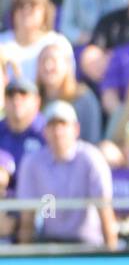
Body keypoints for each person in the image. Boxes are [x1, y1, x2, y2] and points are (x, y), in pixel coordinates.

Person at [15, 101, 117, 249]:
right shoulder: (32, 162)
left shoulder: (91, 158)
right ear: (45, 131)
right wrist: (25, 259)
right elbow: (27, 219)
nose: (58, 131)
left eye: (63, 124)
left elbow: (105, 210)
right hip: (49, 244)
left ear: (76, 129)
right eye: (52, 125)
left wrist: (111, 257)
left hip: (88, 245)